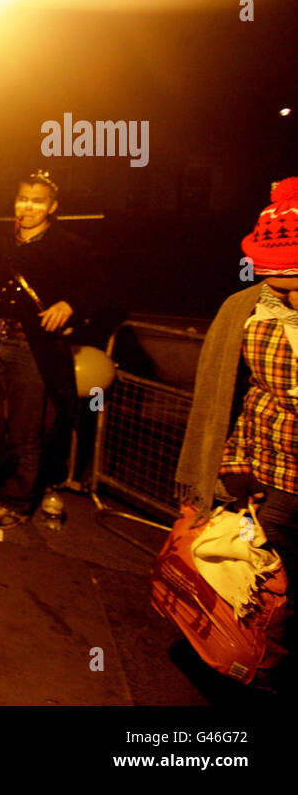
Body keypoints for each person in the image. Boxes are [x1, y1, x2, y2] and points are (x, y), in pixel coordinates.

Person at [176, 177, 298, 693]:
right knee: (261, 589)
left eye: (289, 276)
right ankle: (246, 674)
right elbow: (226, 397)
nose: (277, 287)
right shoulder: (247, 311)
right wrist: (220, 465)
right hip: (267, 473)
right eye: (271, 274)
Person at [0, 170, 102, 527]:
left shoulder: (70, 247)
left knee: (26, 429)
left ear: (52, 207)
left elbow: (100, 292)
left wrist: (69, 305)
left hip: (32, 349)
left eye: (37, 200)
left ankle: (18, 500)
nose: (28, 206)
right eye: (22, 198)